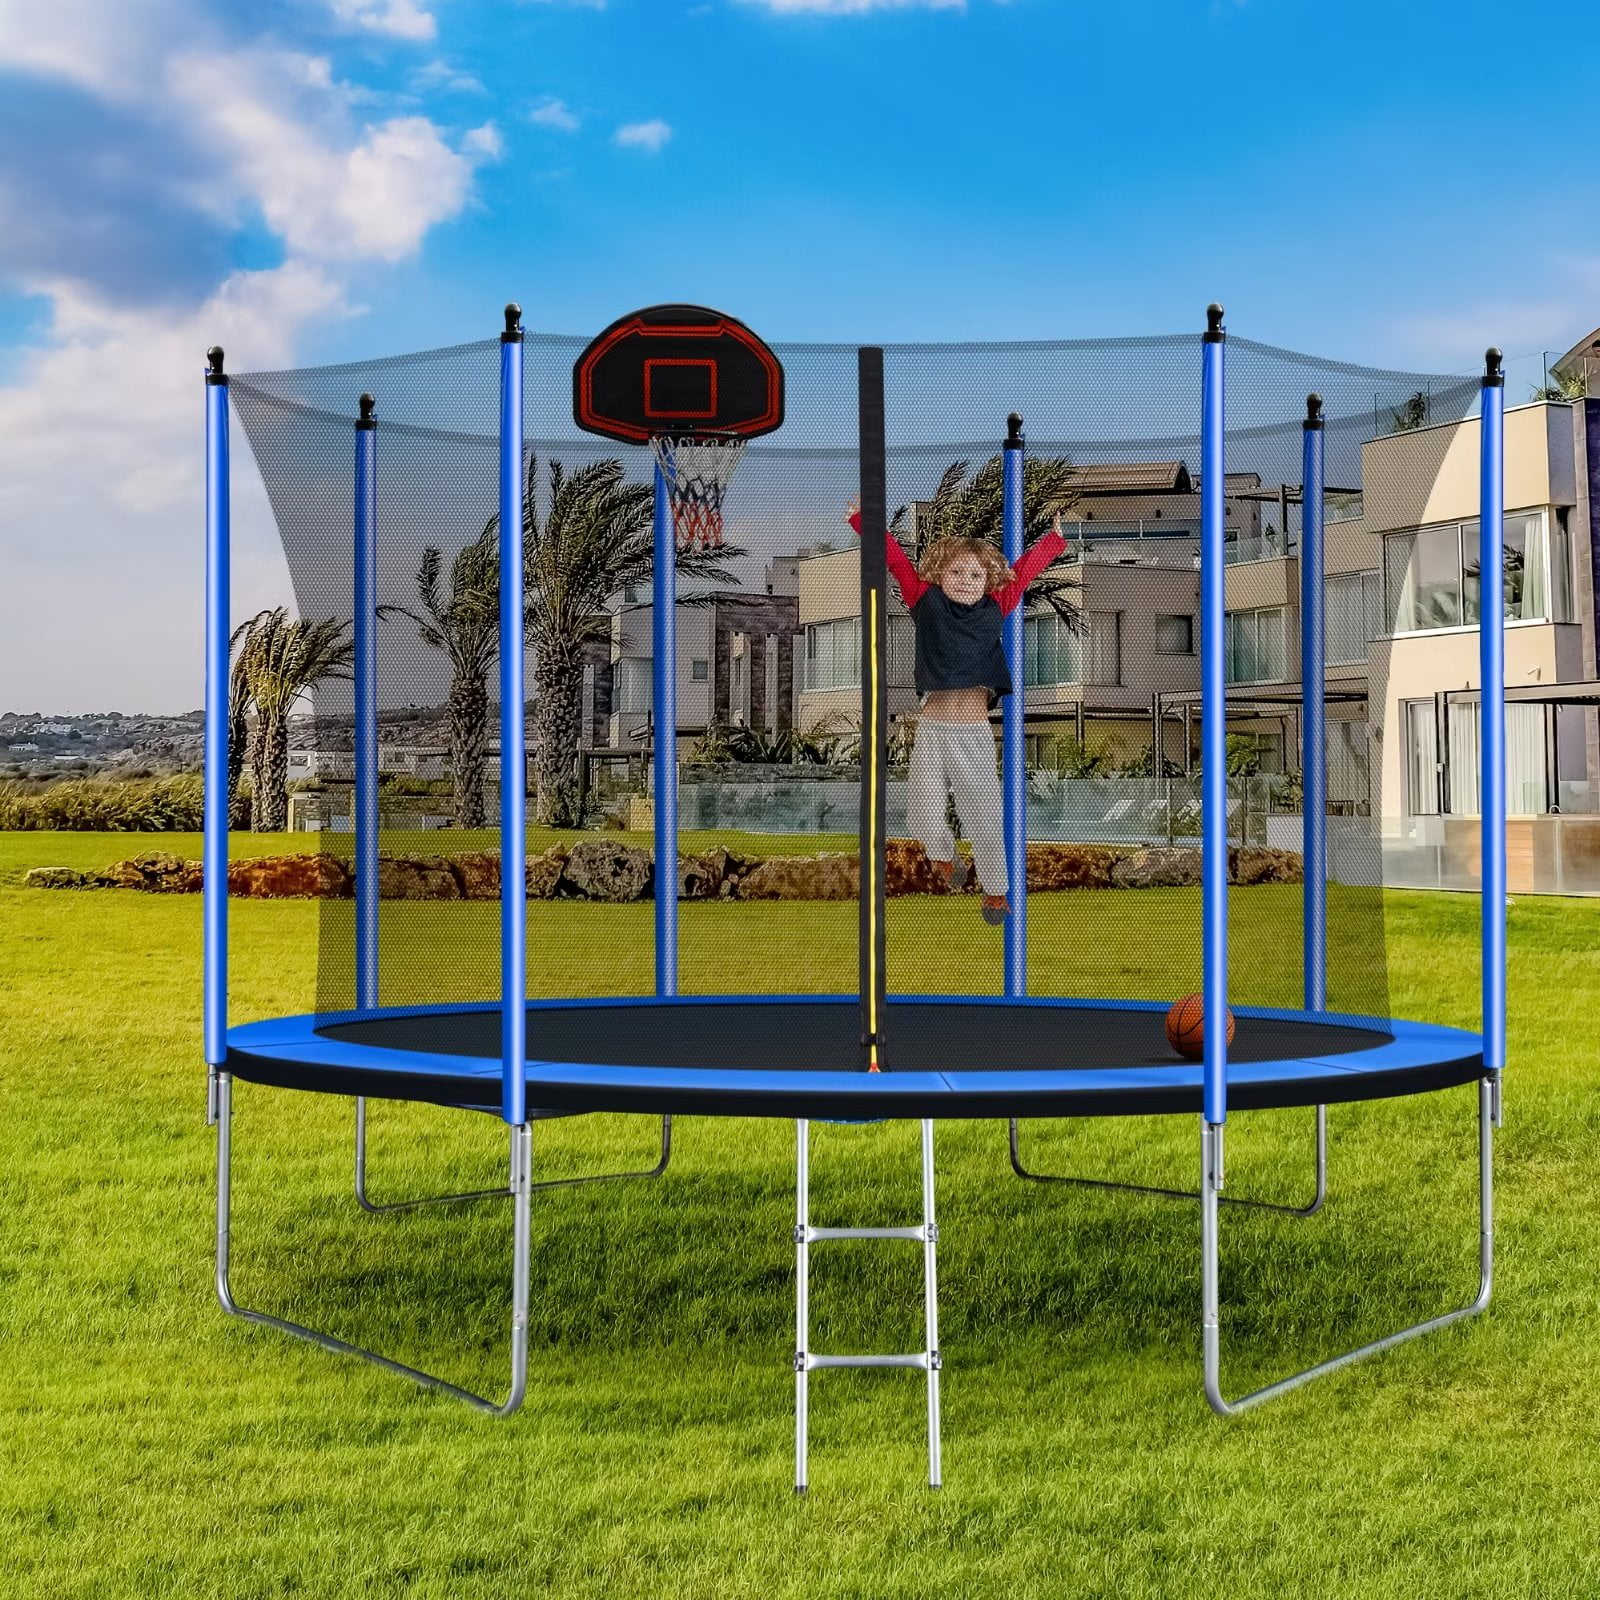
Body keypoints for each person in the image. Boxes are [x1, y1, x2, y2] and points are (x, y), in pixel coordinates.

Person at [848, 505, 1066, 924]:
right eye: (956, 572)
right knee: (921, 811)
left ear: (989, 581)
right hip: (932, 729)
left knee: (984, 815)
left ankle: (996, 892)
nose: (966, 580)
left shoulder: (997, 604)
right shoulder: (923, 598)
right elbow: (894, 558)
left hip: (974, 733)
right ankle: (945, 854)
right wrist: (864, 520)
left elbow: (1024, 572)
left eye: (975, 575)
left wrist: (1053, 541)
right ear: (938, 574)